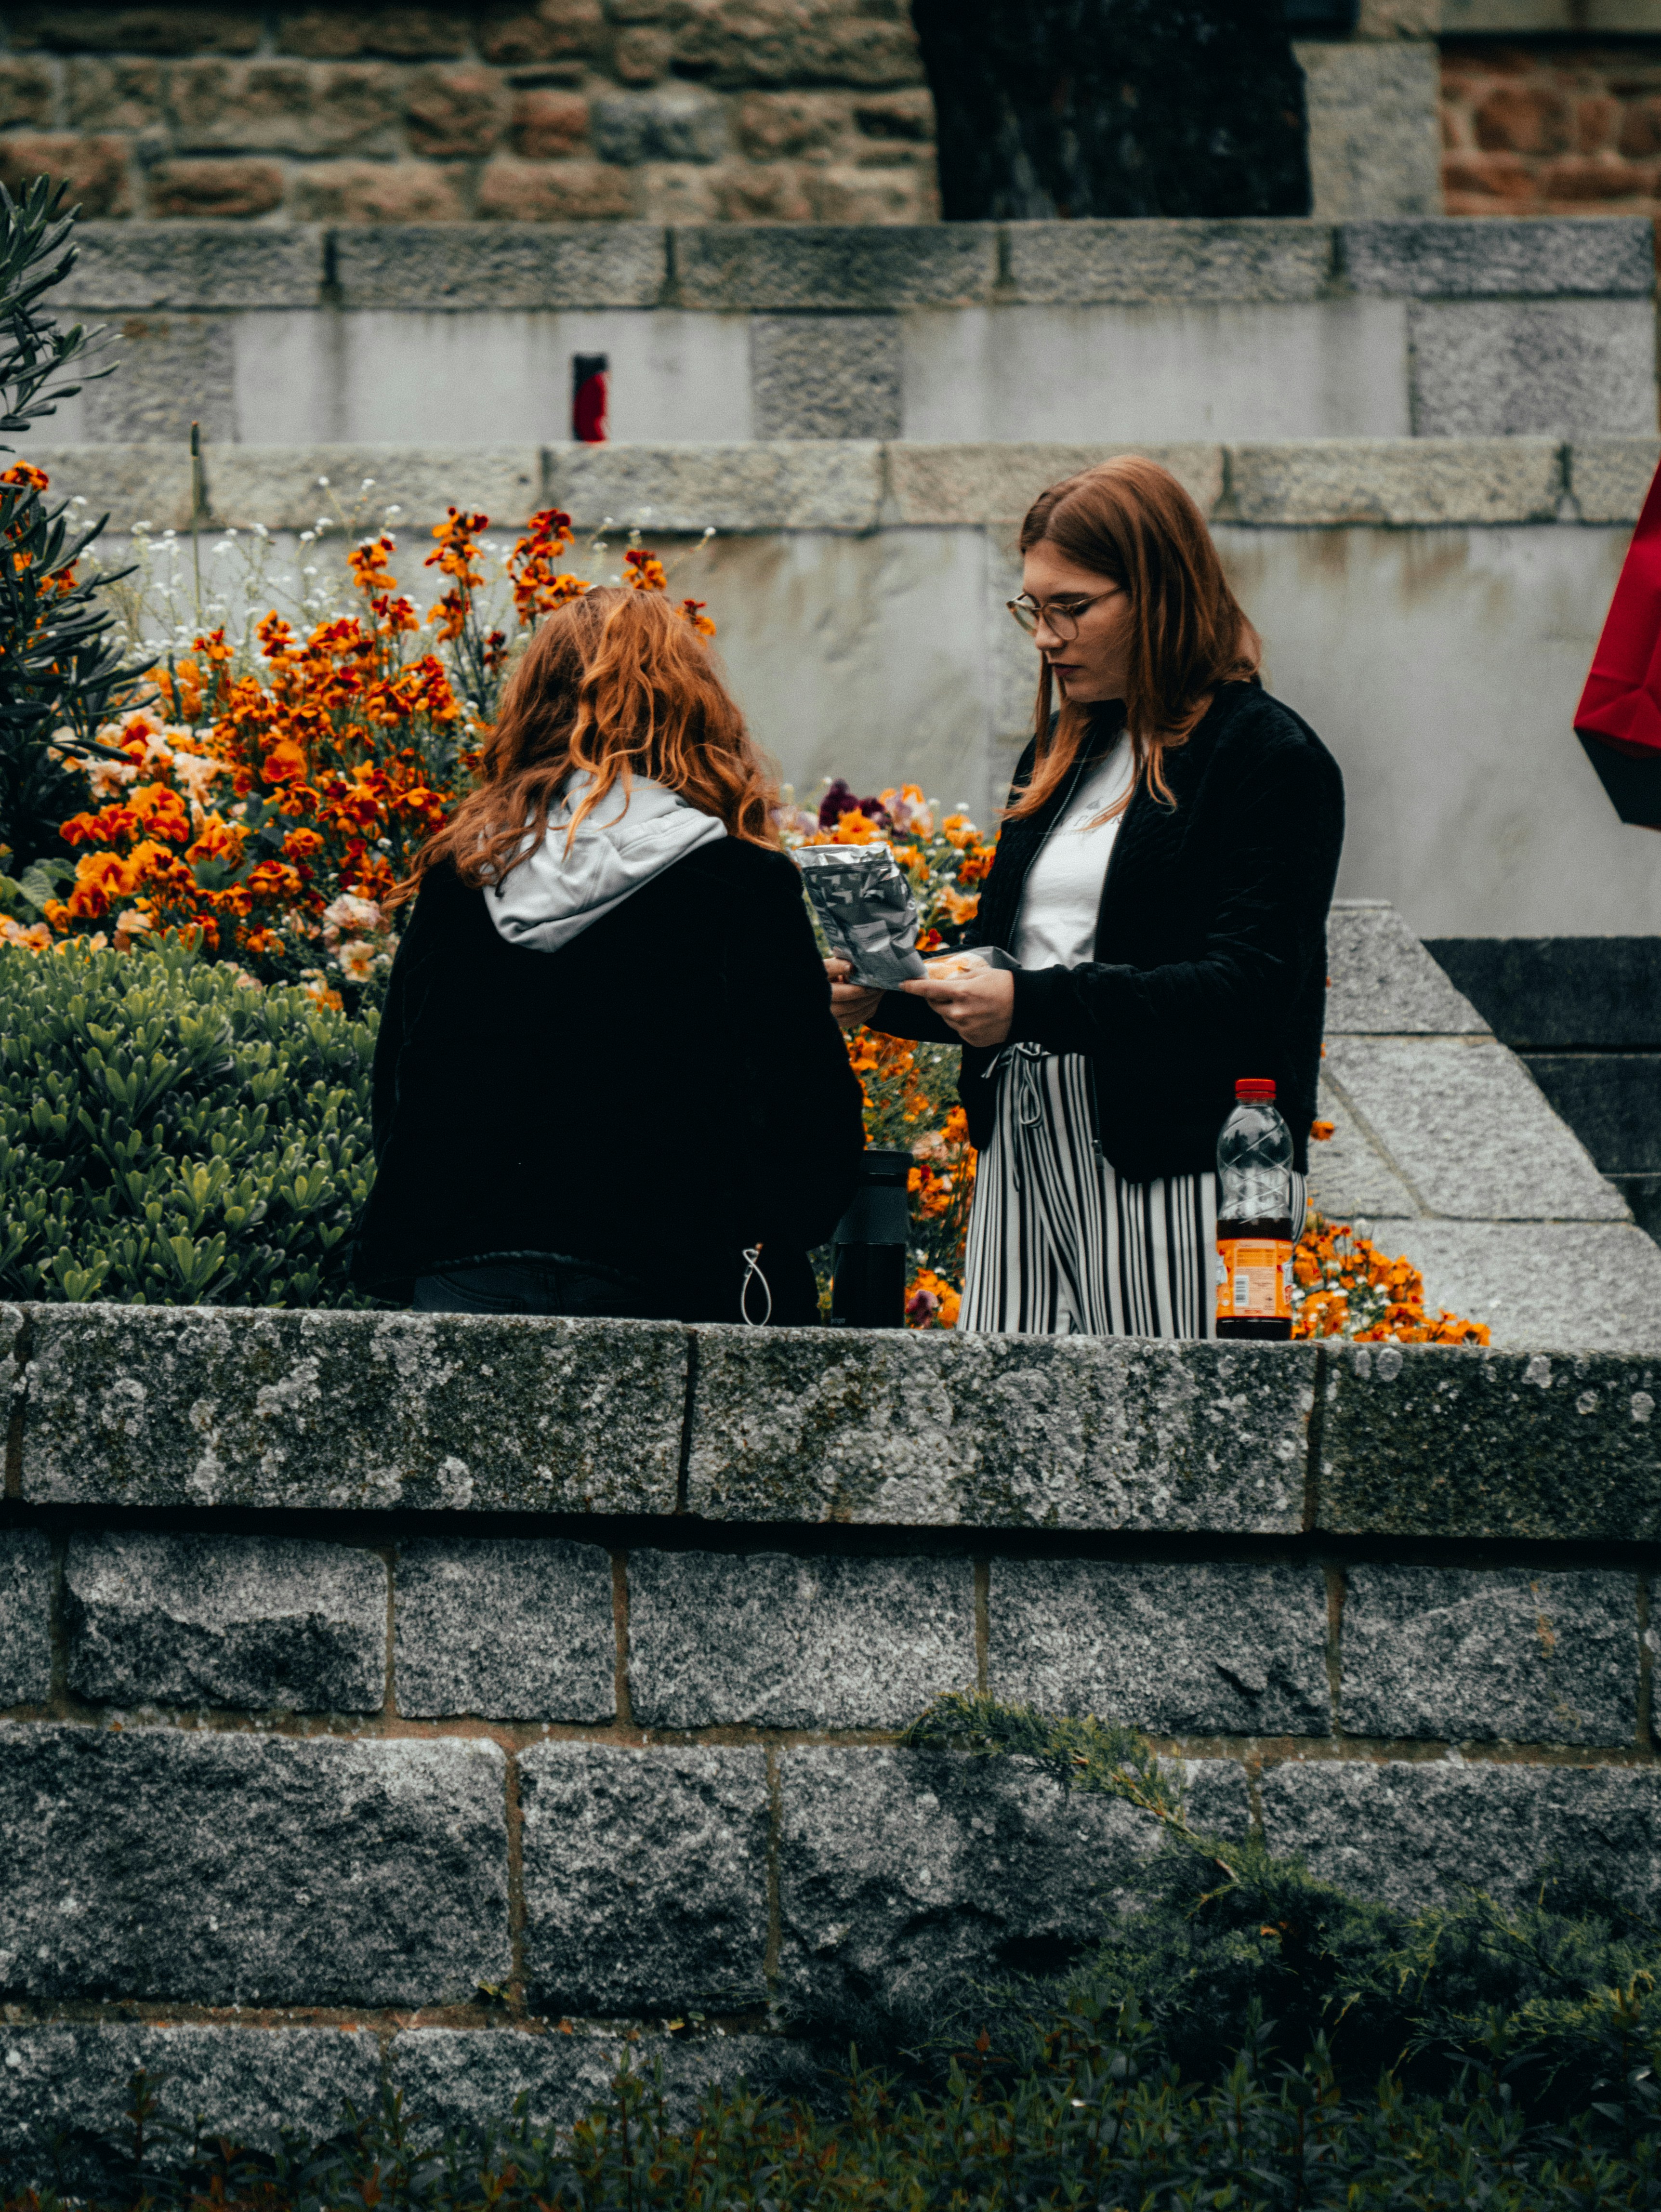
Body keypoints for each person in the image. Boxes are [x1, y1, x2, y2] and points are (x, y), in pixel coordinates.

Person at [830, 455, 1345, 1337]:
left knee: (1171, 1441)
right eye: (1034, 607)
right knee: (1004, 1436)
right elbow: (1008, 959)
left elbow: (1252, 985)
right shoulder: (1059, 756)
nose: (1046, 636)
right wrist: (885, 993)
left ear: (1162, 595)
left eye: (1072, 607)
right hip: (1024, 1145)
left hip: (1175, 1158)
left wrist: (1030, 1003)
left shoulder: (1267, 755)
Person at [356, 586, 865, 1323]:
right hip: (673, 1266)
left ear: (535, 707)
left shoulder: (465, 876)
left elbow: (400, 1087)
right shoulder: (740, 882)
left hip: (468, 1263)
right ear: (695, 711)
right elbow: (804, 1116)